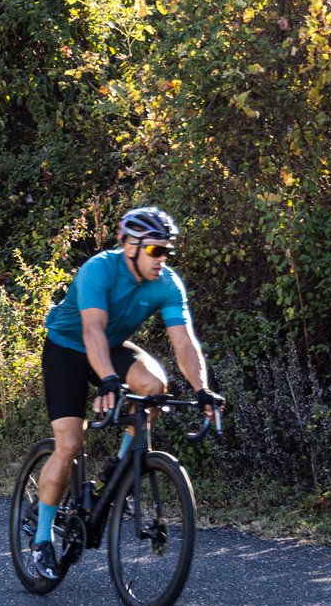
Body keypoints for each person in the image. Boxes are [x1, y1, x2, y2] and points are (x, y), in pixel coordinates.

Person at [32, 206, 223, 578]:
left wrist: (202, 390)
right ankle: (41, 539)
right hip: (68, 347)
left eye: (167, 251)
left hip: (114, 345)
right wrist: (107, 379)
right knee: (69, 444)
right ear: (130, 246)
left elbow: (184, 342)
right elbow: (92, 331)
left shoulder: (167, 283)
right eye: (155, 250)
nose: (162, 259)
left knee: (154, 387)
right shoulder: (99, 269)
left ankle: (121, 469)